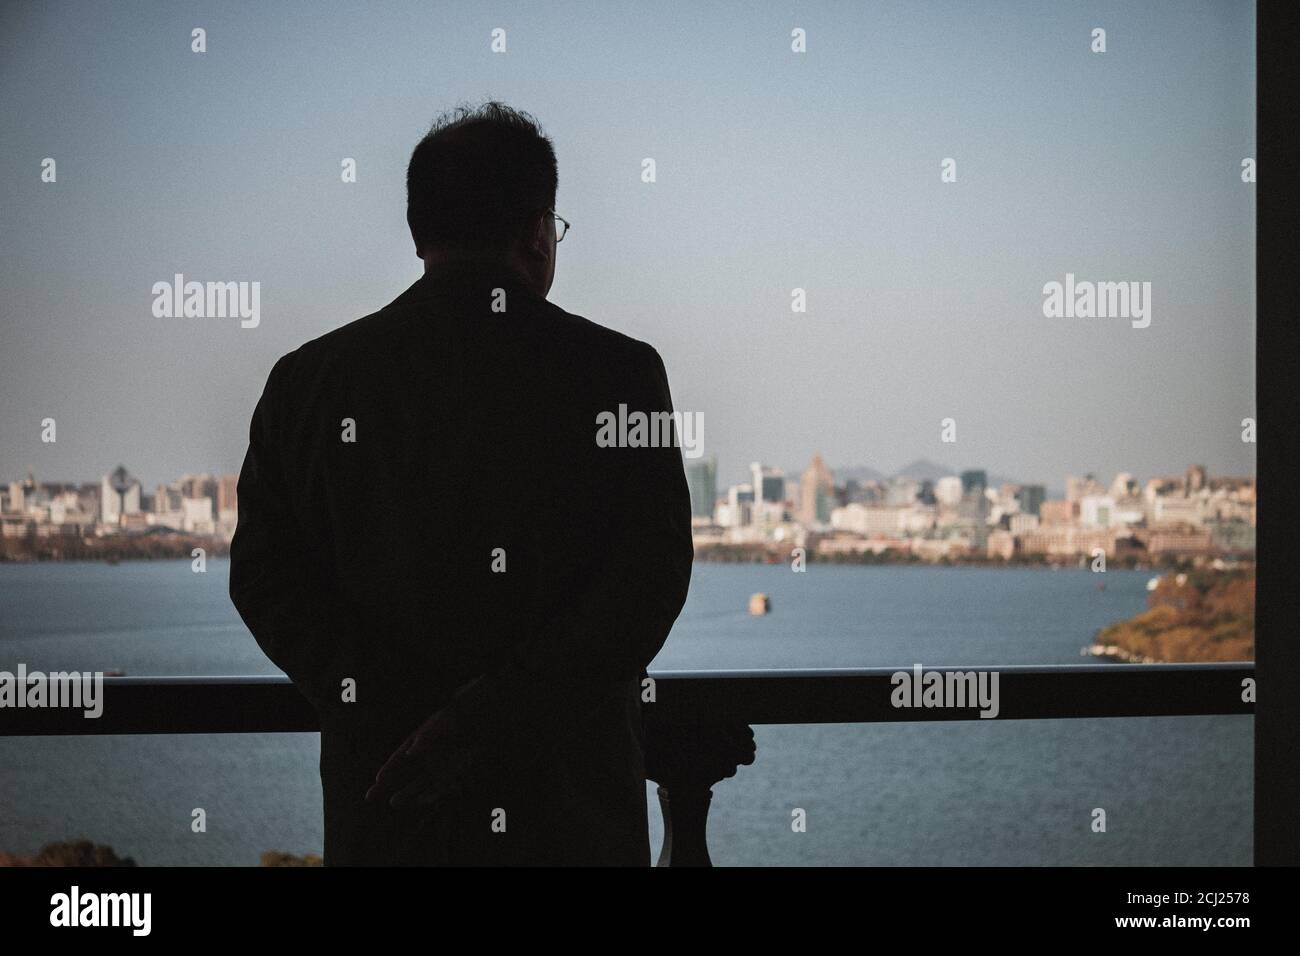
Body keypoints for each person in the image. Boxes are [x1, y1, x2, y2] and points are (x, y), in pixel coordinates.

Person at [229, 101, 722, 865]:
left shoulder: (308, 382)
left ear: (419, 231)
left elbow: (265, 578)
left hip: (388, 804)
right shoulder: (621, 374)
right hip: (570, 816)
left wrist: (388, 708)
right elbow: (650, 581)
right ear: (536, 231)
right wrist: (489, 719)